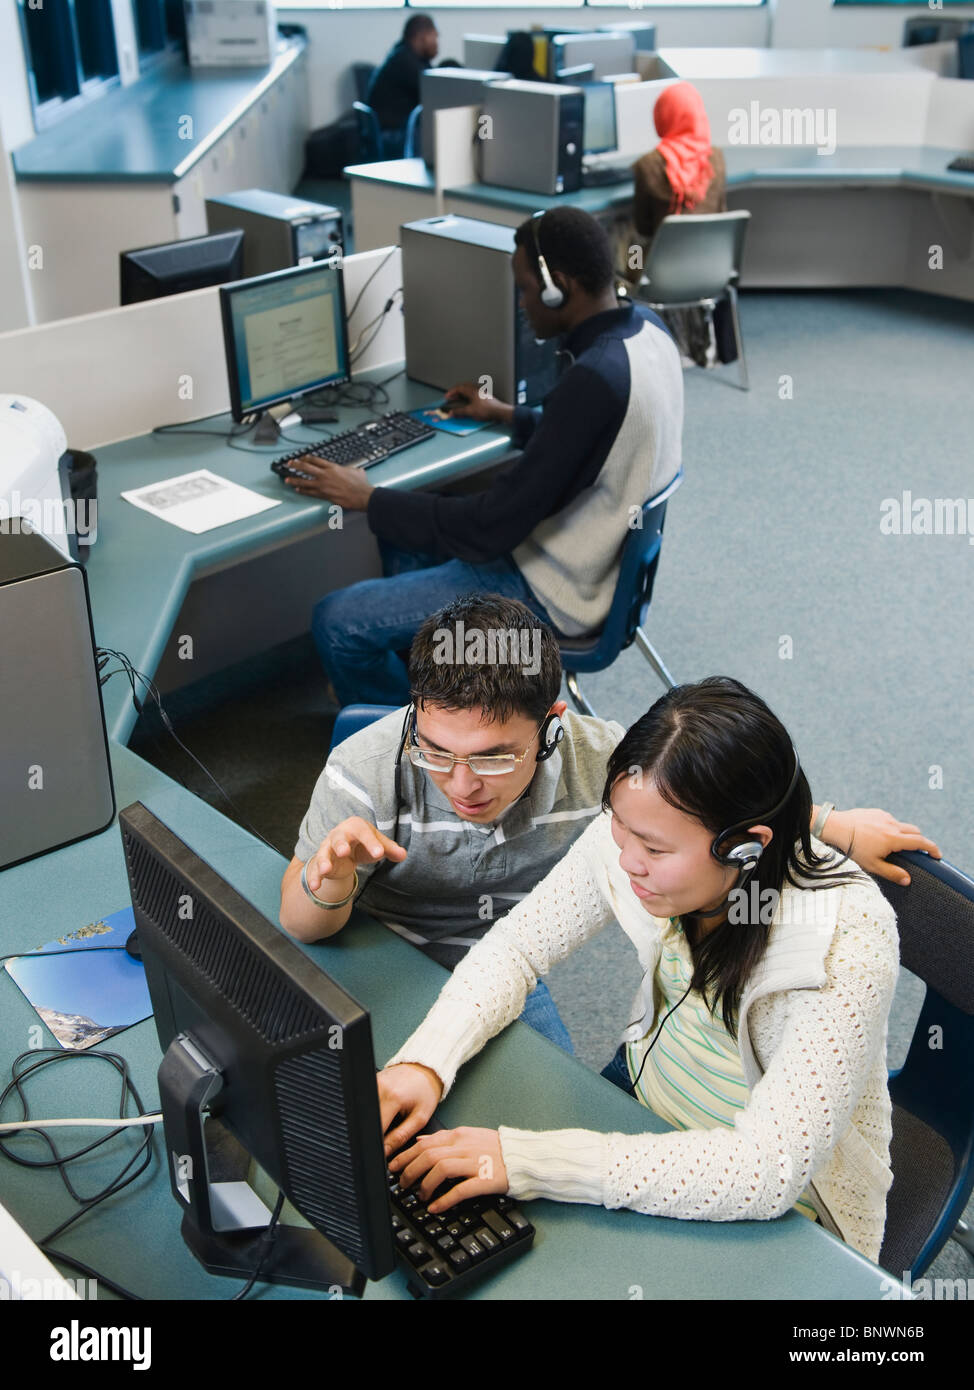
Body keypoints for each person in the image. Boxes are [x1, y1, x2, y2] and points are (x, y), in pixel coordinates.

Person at [373, 677, 930, 1264]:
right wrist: (424, 1063)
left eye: (656, 851)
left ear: (745, 847)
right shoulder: (642, 823)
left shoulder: (844, 939)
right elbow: (518, 945)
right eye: (619, 824)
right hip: (639, 1104)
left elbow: (767, 1171)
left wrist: (527, 1162)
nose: (627, 860)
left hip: (780, 1206)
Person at [285, 207, 684, 708]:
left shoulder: (594, 378)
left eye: (523, 289)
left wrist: (366, 497)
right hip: (596, 567)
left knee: (336, 621)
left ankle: (421, 743)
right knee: (408, 522)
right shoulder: (647, 331)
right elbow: (600, 443)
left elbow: (489, 527)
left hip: (551, 591)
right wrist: (508, 415)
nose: (521, 304)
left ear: (557, 285)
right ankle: (437, 684)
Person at [622, 81, 728, 367]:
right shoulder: (715, 159)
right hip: (712, 273)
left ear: (663, 117)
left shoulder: (649, 165)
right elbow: (721, 211)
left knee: (622, 243)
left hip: (663, 276)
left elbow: (642, 230)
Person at [367, 15, 439, 153]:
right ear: (422, 36)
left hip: (387, 130)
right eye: (434, 36)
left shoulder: (405, 54)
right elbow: (432, 94)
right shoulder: (405, 61)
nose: (436, 42)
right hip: (392, 134)